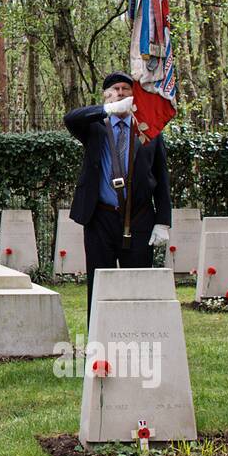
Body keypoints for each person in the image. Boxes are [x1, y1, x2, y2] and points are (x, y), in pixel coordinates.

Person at [64, 71, 172, 324]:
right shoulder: (94, 128)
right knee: (99, 281)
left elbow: (162, 178)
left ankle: (141, 334)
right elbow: (70, 118)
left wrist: (163, 220)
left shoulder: (148, 129)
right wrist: (107, 109)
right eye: (115, 90)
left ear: (134, 95)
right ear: (105, 95)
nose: (121, 93)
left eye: (126, 89)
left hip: (140, 218)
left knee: (139, 283)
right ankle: (99, 340)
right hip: (100, 217)